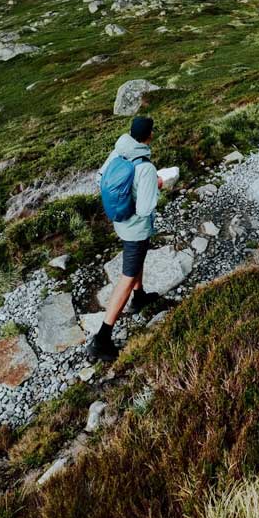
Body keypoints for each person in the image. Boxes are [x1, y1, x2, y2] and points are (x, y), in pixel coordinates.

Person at [89, 115, 166, 362]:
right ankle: (102, 338)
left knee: (137, 260)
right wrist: (158, 185)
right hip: (135, 229)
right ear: (149, 135)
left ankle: (140, 296)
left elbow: (99, 178)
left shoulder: (118, 151)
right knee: (126, 277)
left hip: (120, 222)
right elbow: (145, 208)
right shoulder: (145, 167)